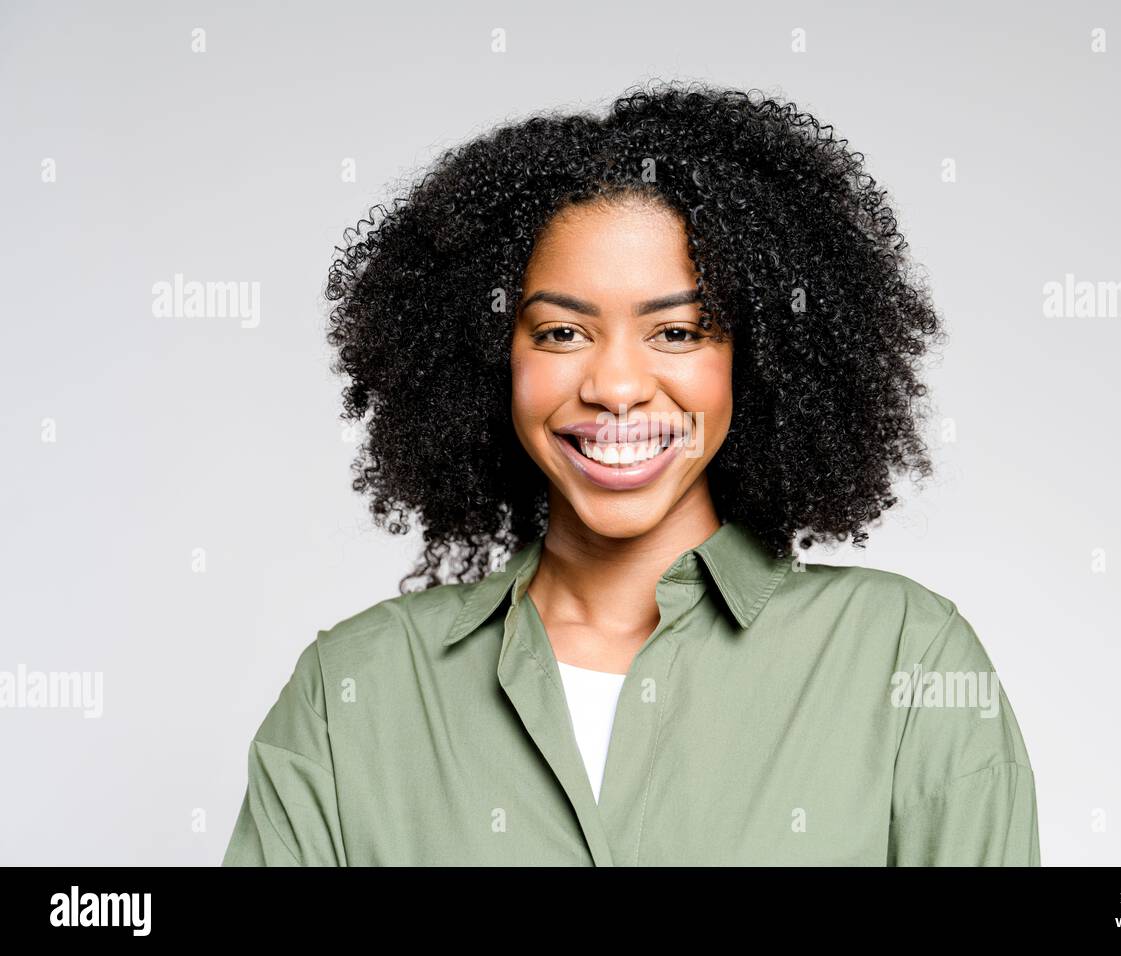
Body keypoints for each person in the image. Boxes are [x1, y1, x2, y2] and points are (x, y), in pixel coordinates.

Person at [222, 80, 1039, 866]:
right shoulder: (352, 693)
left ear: (753, 361)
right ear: (488, 360)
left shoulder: (905, 660)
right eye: (560, 333)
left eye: (679, 332)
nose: (614, 387)